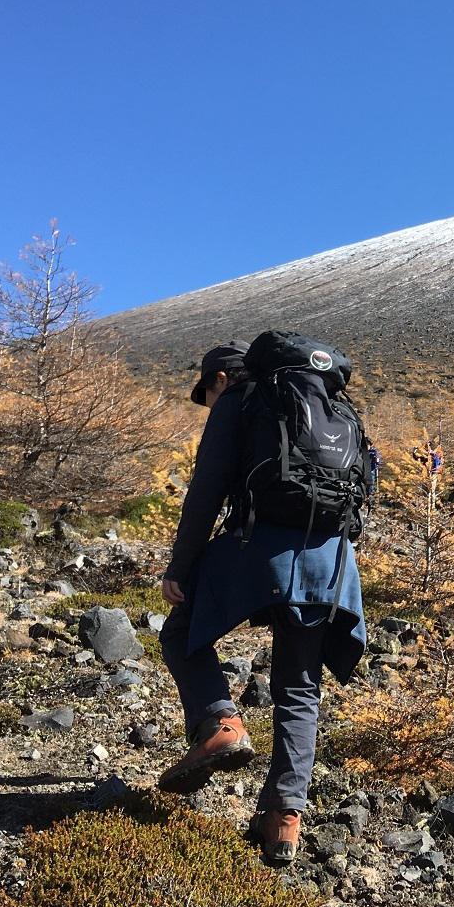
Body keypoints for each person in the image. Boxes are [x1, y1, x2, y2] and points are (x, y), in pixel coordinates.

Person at [156, 334, 368, 866]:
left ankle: (221, 724)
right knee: (299, 686)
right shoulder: (334, 405)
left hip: (259, 548)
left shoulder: (240, 400)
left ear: (219, 379)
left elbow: (206, 491)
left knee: (181, 632)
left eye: (203, 392)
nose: (204, 402)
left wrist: (181, 569)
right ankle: (283, 820)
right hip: (331, 562)